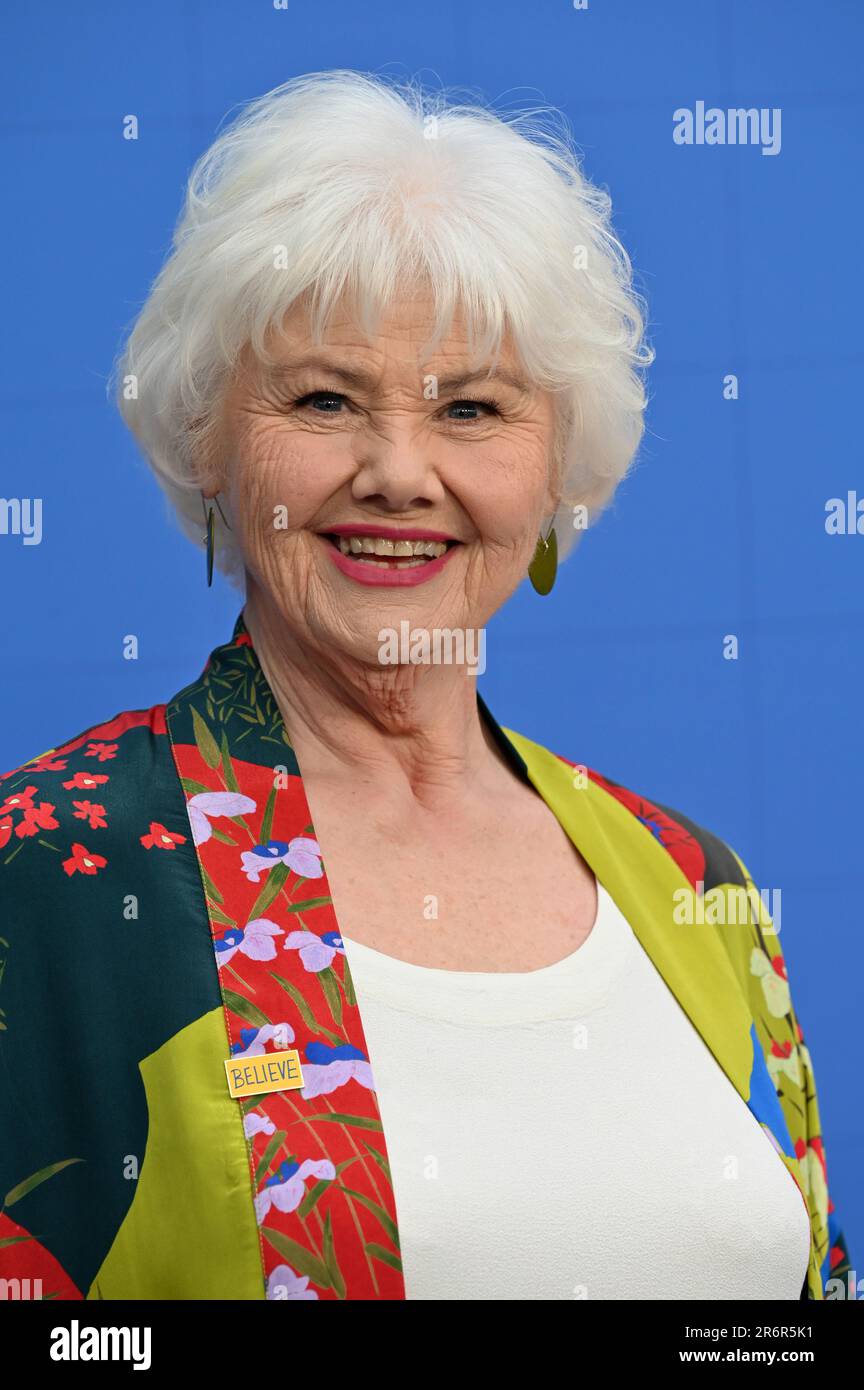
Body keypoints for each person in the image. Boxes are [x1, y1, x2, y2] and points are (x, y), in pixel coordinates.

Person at [0, 70, 849, 1301]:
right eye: (326, 398)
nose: (400, 472)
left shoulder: (691, 880)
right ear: (207, 440)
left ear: (559, 467)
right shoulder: (54, 871)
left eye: (472, 408)